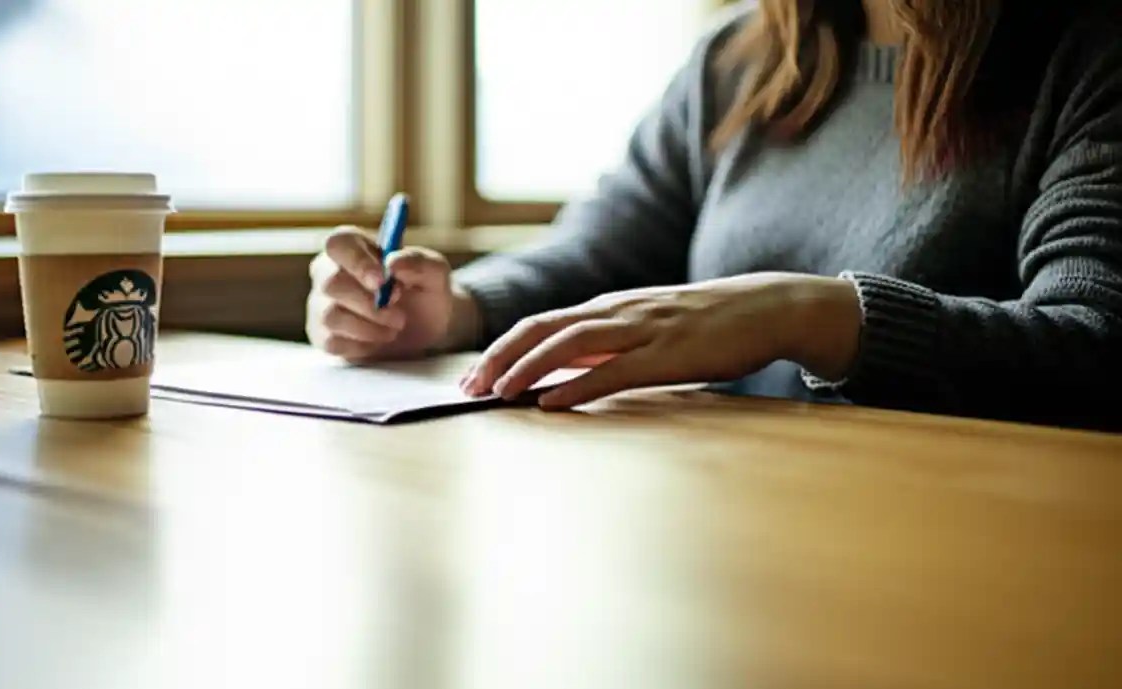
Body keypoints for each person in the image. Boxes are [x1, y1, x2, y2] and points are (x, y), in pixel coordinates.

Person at [307, 0, 1122, 429]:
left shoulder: (1086, 51)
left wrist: (808, 313)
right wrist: (454, 309)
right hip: (740, 536)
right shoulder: (739, 58)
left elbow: (1093, 345)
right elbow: (603, 251)